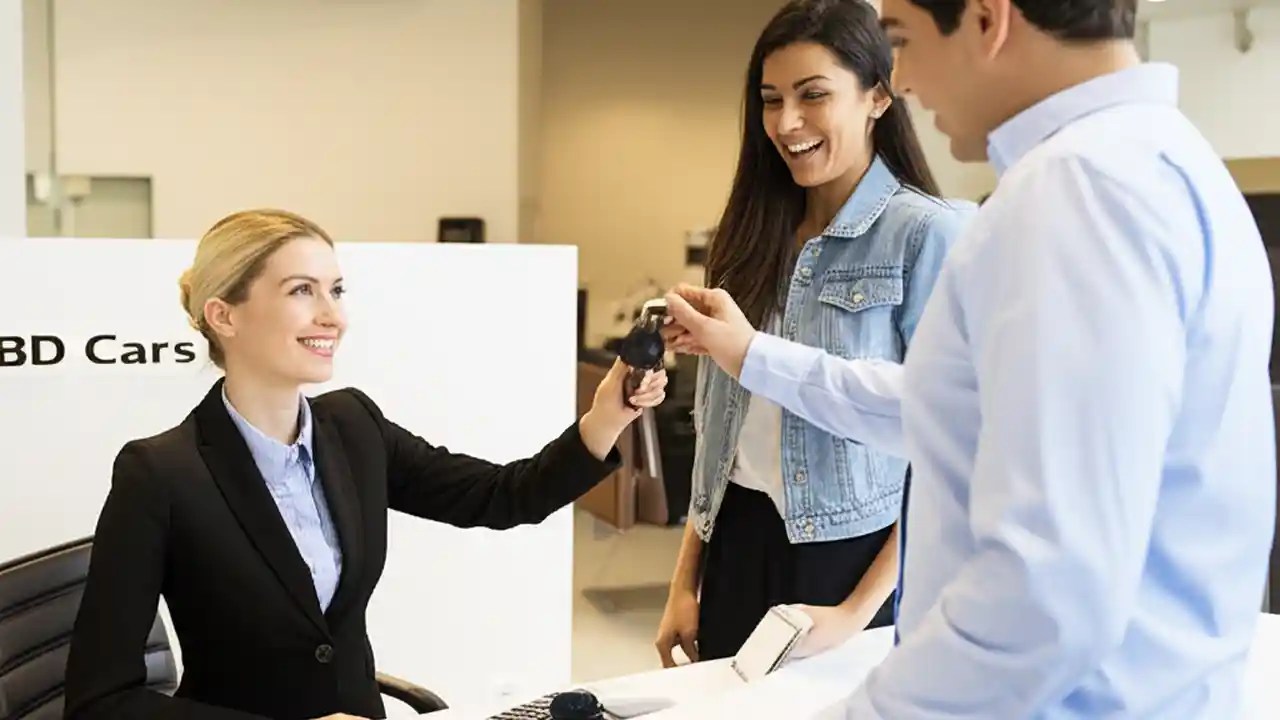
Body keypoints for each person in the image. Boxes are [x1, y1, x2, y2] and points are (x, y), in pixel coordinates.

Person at [663, 0, 1276, 717]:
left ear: (988, 20)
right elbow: (944, 409)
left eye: (904, 44)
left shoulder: (1076, 194)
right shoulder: (1159, 160)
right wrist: (755, 357)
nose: (908, 85)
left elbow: (1045, 594)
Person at [63, 208, 668, 720]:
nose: (334, 315)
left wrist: (604, 419)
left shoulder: (352, 427)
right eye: (302, 290)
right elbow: (100, 701)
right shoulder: (160, 474)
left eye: (336, 290)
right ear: (225, 315)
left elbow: (501, 496)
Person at [652, 0, 974, 669]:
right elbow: (721, 430)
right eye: (770, 100)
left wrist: (855, 613)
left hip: (853, 558)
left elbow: (947, 453)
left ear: (878, 96)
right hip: (738, 537)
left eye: (813, 95)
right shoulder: (748, 236)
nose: (787, 123)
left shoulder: (926, 233)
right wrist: (686, 581)